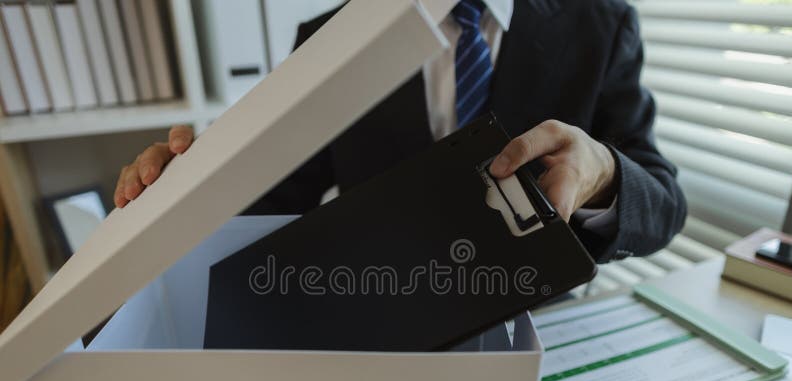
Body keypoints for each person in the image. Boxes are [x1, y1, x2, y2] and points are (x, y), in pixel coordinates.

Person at [114, 0, 686, 263]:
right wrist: (183, 188)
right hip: (381, 322)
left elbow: (663, 200)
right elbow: (267, 201)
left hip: (545, 336)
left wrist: (604, 173)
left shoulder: (602, 23)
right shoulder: (329, 40)